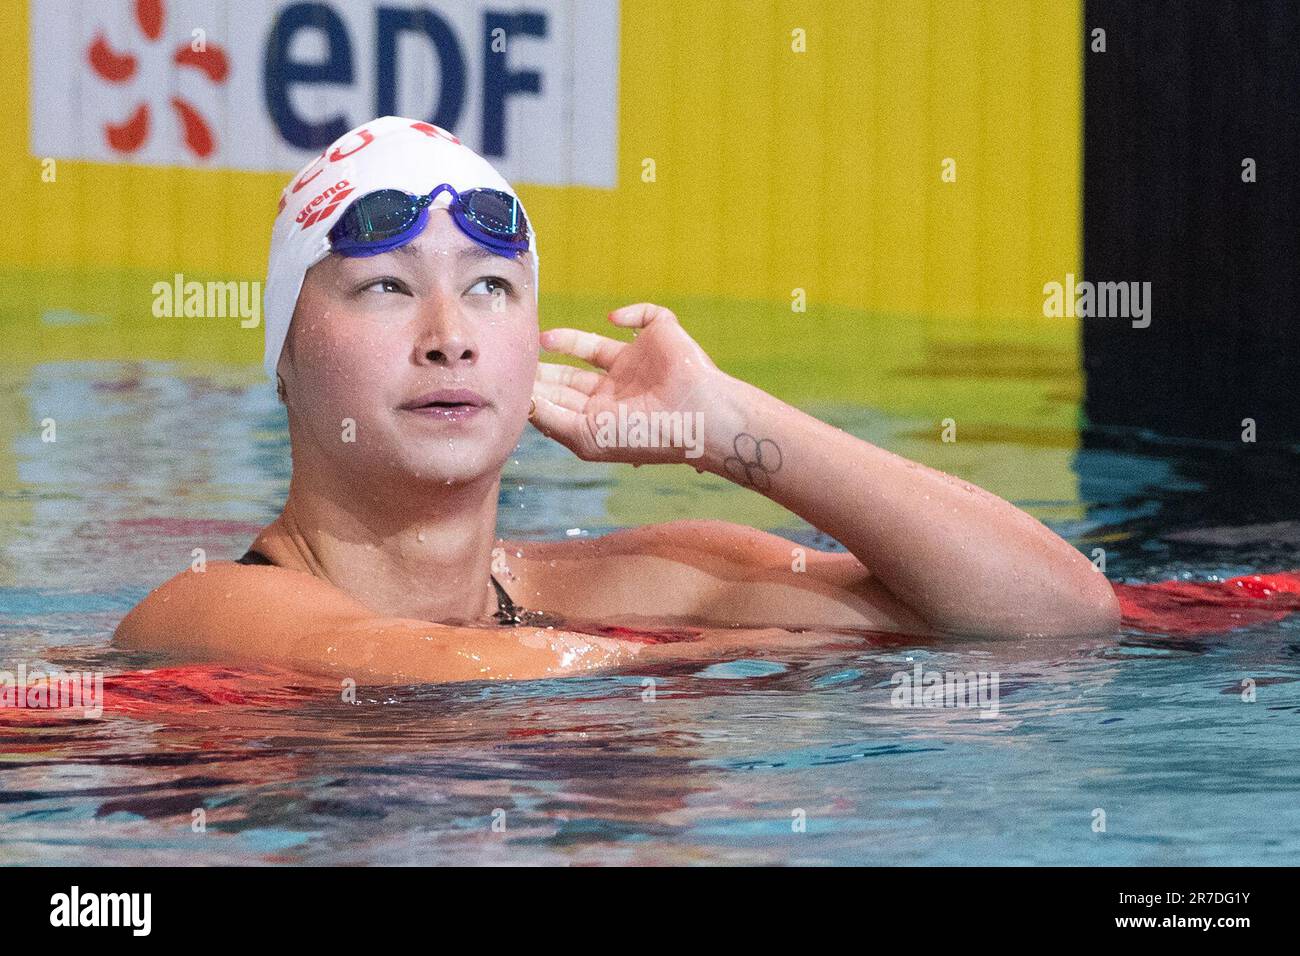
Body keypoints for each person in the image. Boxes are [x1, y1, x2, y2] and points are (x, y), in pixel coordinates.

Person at [114, 116, 1120, 683]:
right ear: (283, 354)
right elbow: (423, 667)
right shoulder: (207, 604)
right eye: (386, 284)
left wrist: (729, 428)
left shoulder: (649, 576)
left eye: (488, 286)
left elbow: (1061, 615)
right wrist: (734, 656)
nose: (449, 331)